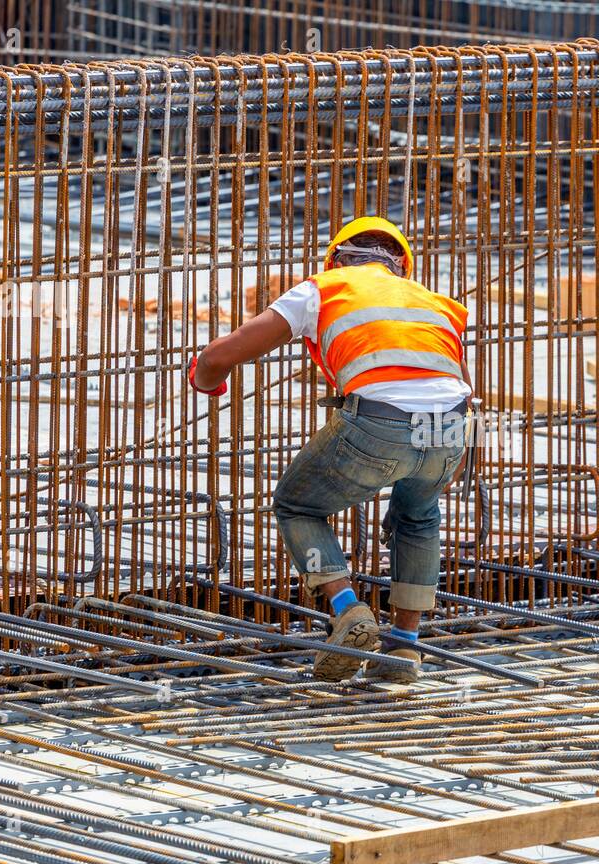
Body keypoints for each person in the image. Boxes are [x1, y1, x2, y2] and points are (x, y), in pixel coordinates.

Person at [188, 216, 471, 683]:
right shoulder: (437, 303)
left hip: (378, 422)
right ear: (401, 265)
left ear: (336, 257)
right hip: (452, 428)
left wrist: (206, 380)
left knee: (298, 505)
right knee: (418, 516)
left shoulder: (323, 288)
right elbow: (459, 385)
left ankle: (348, 609)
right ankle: (404, 648)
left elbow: (221, 356)